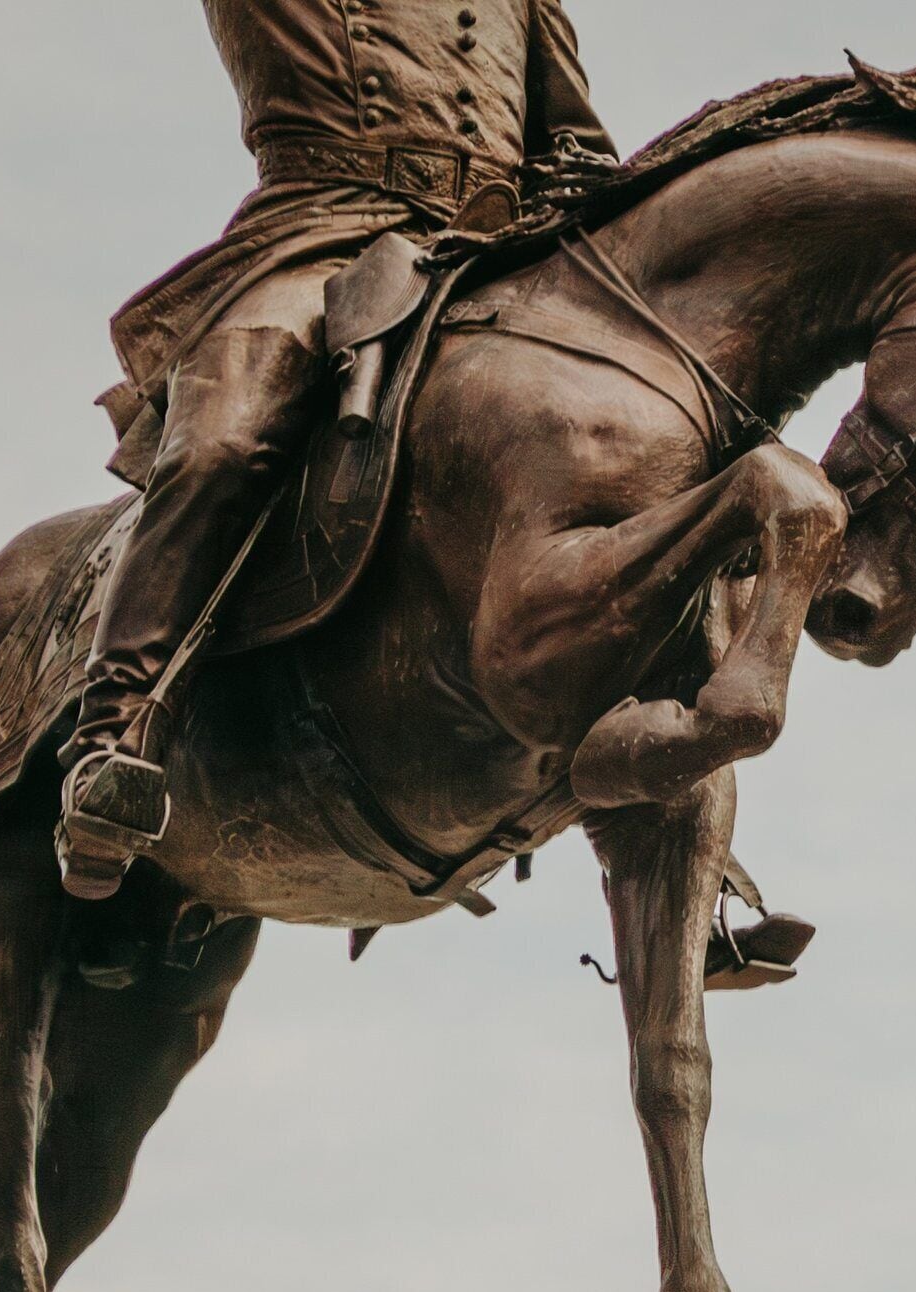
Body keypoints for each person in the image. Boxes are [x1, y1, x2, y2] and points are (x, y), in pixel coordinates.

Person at [54, 1, 622, 900]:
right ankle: (114, 736)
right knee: (222, 444)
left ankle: (678, 817)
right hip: (326, 235)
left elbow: (577, 147)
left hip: (497, 254)